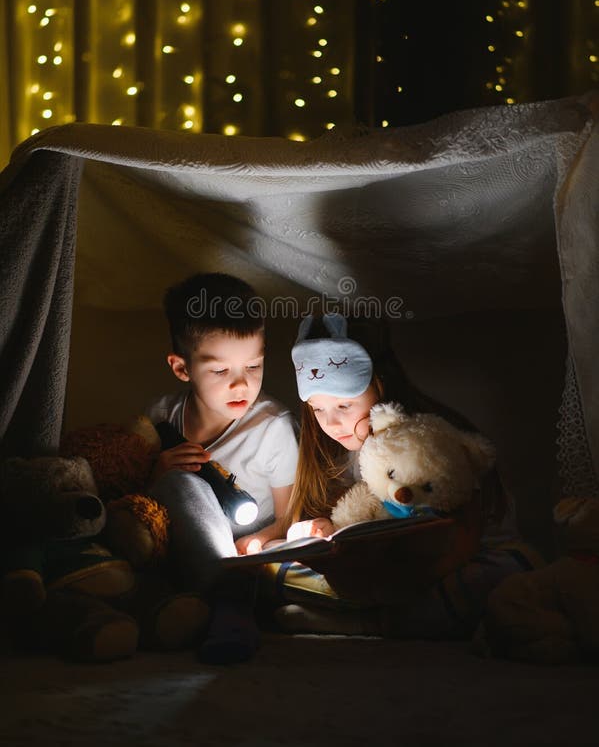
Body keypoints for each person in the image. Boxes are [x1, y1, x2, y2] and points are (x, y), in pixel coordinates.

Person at [276, 312, 536, 638]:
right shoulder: (341, 455)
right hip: (383, 570)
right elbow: (347, 524)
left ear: (380, 385)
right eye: (317, 409)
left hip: (458, 560)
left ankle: (368, 624)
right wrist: (319, 531)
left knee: (504, 575)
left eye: (344, 406)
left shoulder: (430, 440)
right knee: (274, 570)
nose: (331, 423)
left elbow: (464, 538)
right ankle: (384, 611)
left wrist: (407, 577)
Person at [145, 272, 298, 663]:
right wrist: (159, 472)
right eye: (220, 371)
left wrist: (254, 543)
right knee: (181, 484)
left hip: (247, 555)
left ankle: (226, 607)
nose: (241, 386)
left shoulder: (271, 427)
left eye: (253, 367)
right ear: (182, 368)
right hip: (186, 553)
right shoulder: (163, 419)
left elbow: (289, 515)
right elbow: (141, 506)